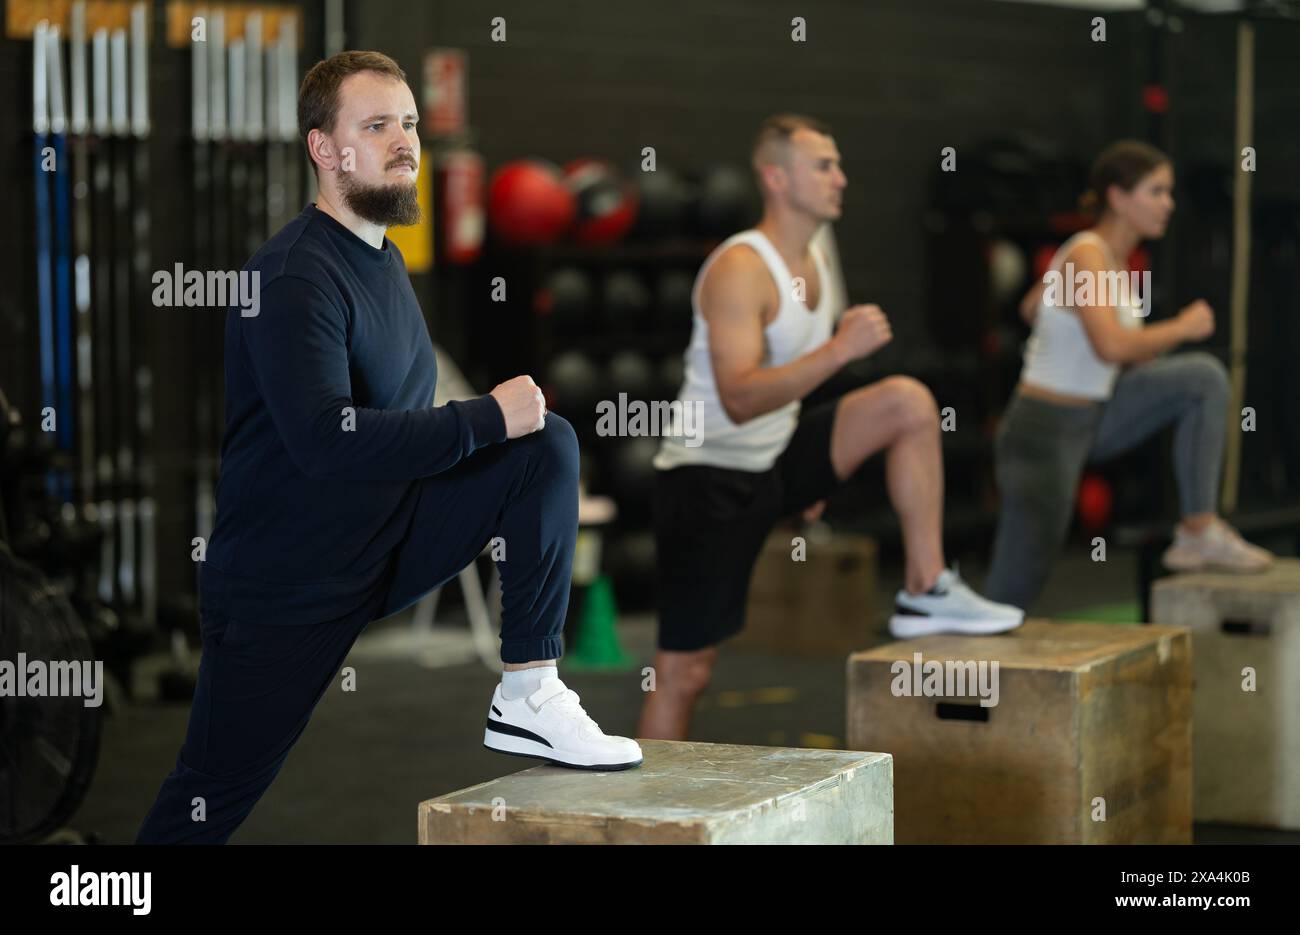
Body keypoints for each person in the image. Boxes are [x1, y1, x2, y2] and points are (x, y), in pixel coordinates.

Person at [137, 51, 639, 845]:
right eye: (376, 126)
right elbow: (326, 442)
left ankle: (530, 693)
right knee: (209, 794)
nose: (404, 141)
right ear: (324, 150)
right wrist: (481, 418)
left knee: (545, 445)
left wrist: (492, 431)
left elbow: (408, 425)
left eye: (408, 123)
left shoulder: (386, 261)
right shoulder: (294, 275)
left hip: (383, 544)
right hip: (287, 587)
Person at [637, 114, 1023, 742]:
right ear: (776, 178)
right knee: (686, 672)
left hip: (777, 457)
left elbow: (807, 379)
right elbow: (738, 398)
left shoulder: (820, 253)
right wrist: (842, 350)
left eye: (839, 164)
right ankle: (642, 823)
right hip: (708, 480)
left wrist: (817, 470)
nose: (841, 178)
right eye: (823, 165)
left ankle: (926, 586)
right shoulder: (741, 267)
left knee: (907, 402)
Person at [984, 139, 1273, 612]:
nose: (1169, 204)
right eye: (1156, 191)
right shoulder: (1088, 255)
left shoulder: (1111, 265)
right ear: (1118, 198)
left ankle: (1199, 530)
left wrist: (1057, 304)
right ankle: (944, 672)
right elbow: (1111, 346)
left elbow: (1031, 306)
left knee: (1200, 380)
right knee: (1016, 584)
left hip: (1093, 415)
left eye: (1169, 192)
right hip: (1044, 429)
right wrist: (1181, 327)